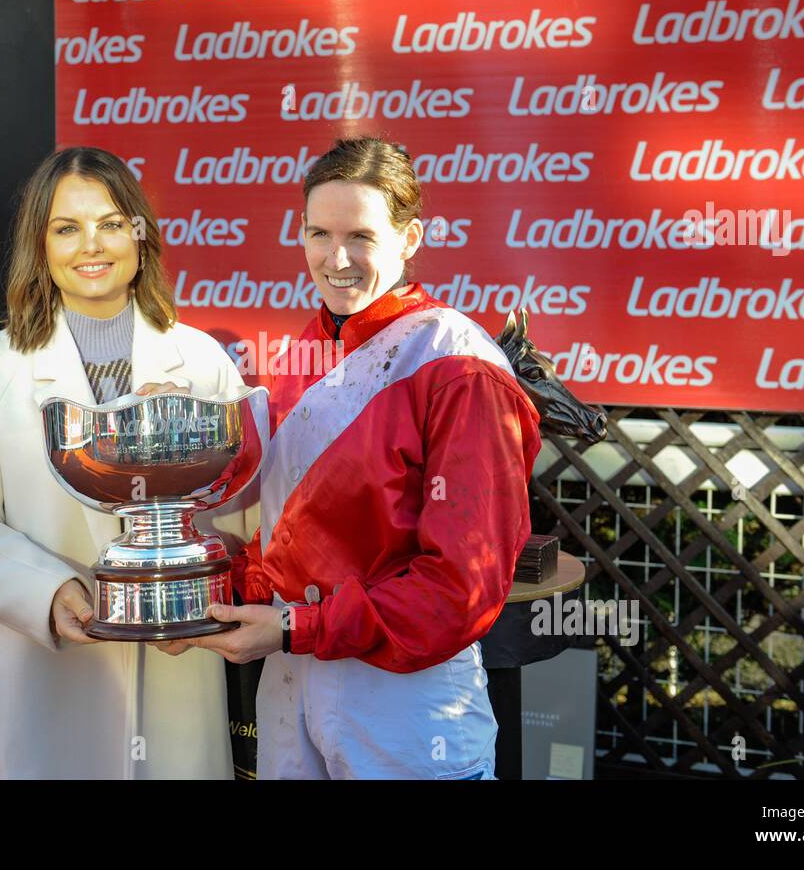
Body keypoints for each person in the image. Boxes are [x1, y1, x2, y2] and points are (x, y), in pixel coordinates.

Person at [169, 136, 543, 779]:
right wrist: (204, 597)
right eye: (319, 233)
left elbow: (460, 589)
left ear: (410, 238)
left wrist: (296, 628)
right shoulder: (309, 347)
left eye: (361, 237)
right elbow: (286, 528)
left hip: (406, 702)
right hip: (292, 684)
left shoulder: (459, 363)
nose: (336, 259)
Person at [0, 147, 248, 779]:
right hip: (37, 679)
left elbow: (242, 511)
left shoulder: (203, 363)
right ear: (41, 246)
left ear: (140, 236)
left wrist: (189, 590)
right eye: (66, 228)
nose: (91, 245)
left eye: (111, 224)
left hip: (173, 672)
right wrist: (46, 590)